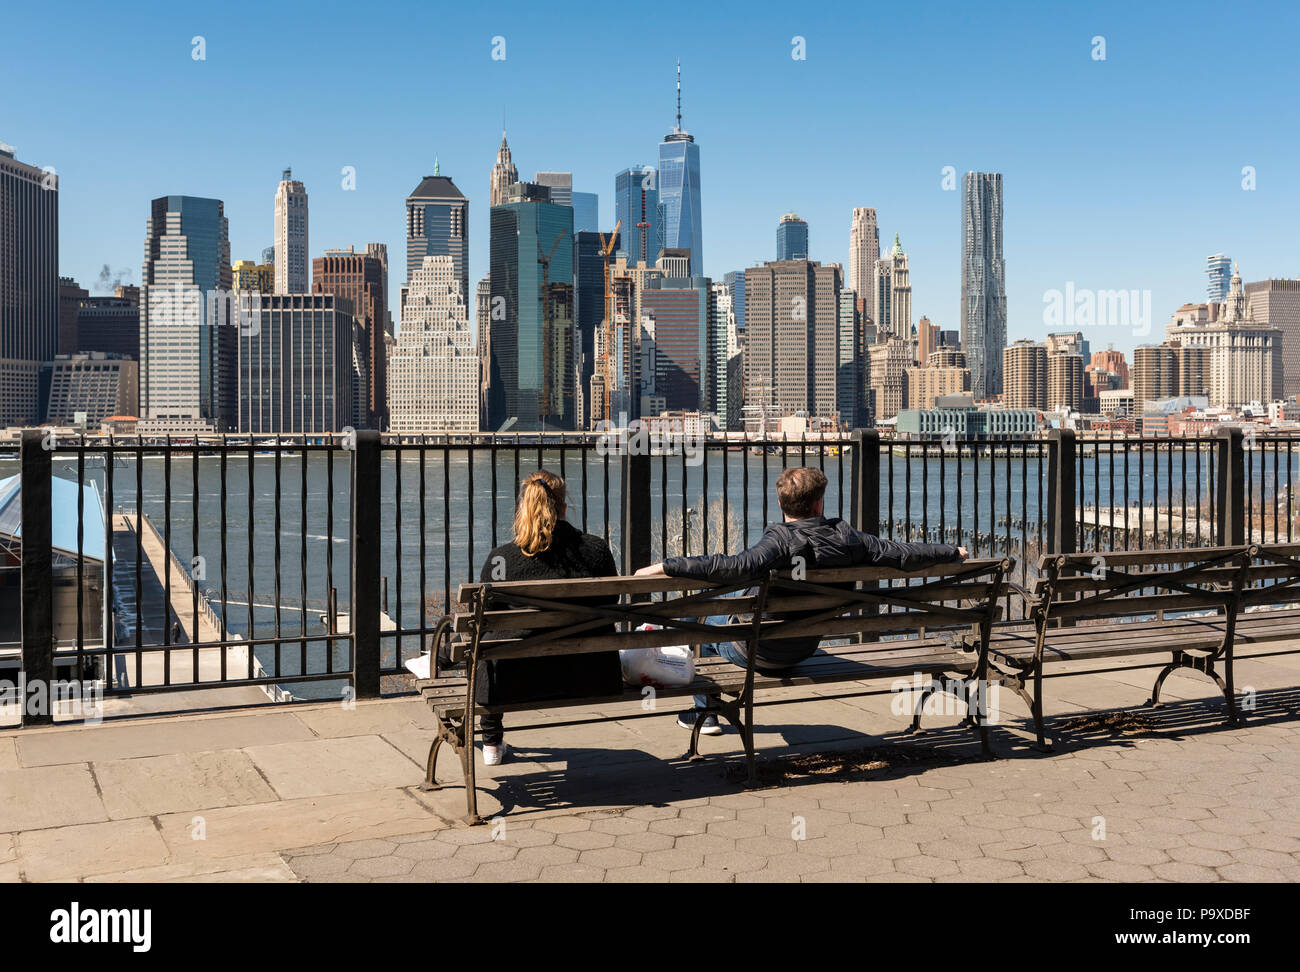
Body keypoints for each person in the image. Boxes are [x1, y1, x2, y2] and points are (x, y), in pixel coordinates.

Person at [635, 466, 968, 735]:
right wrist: (951, 551)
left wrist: (667, 564)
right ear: (819, 503)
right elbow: (901, 553)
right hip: (803, 647)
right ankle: (704, 710)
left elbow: (734, 566)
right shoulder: (848, 537)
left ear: (782, 505)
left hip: (759, 654)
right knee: (734, 605)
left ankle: (704, 713)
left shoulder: (780, 539)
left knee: (698, 617)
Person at [474, 470, 622, 765]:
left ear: (523, 508)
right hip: (592, 675)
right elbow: (611, 601)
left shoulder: (502, 559)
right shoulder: (596, 551)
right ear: (564, 508)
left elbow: (486, 621)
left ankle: (491, 743)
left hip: (515, 683)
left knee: (485, 644)